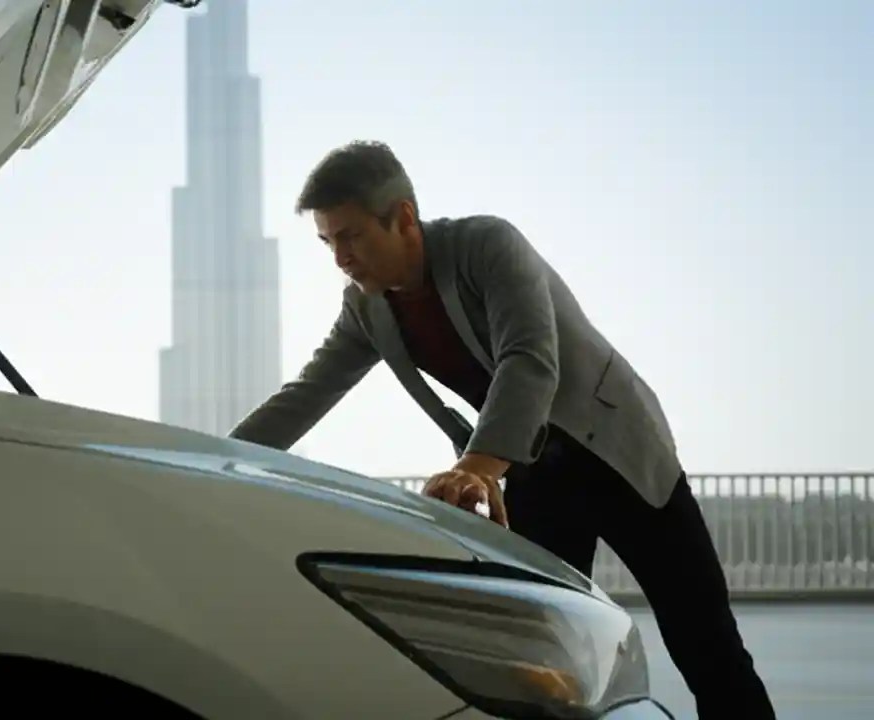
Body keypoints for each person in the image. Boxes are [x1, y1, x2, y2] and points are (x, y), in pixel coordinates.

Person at [228, 140, 775, 718]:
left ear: (404, 218)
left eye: (351, 236)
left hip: (618, 454)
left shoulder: (487, 245)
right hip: (530, 471)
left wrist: (475, 466)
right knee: (538, 665)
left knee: (704, 643)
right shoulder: (366, 309)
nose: (339, 256)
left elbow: (530, 358)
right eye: (327, 241)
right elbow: (307, 394)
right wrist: (220, 459)